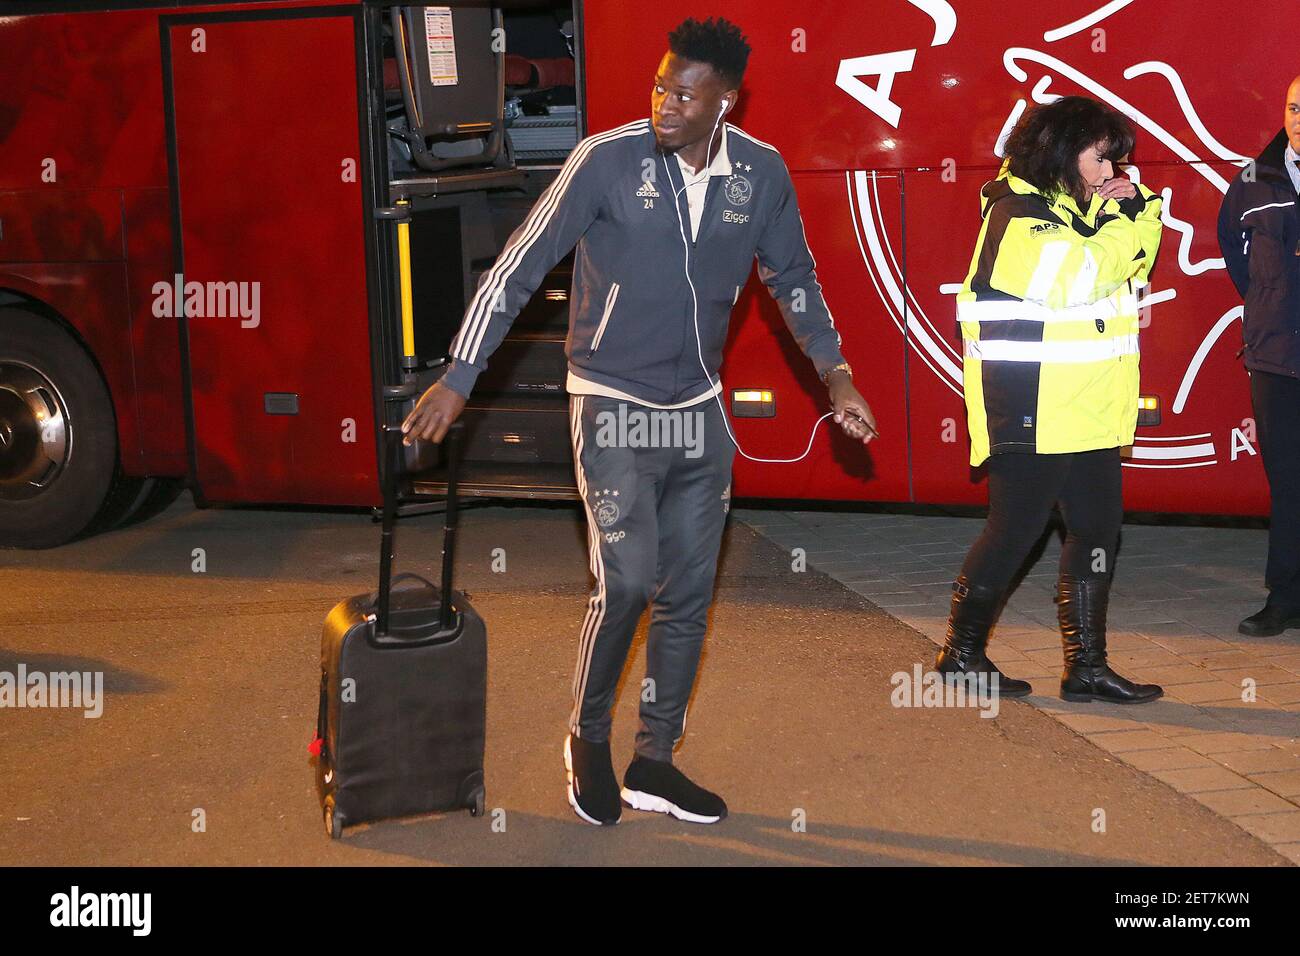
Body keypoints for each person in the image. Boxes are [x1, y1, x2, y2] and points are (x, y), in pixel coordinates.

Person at [402, 17, 876, 825]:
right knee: (624, 582)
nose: (665, 103)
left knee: (688, 593)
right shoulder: (608, 160)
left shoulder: (757, 176)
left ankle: (654, 762)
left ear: (726, 102)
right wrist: (459, 374)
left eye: (686, 94)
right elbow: (518, 264)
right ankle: (586, 737)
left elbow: (794, 278)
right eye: (660, 85)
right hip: (612, 400)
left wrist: (835, 373)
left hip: (696, 409)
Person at [939, 96, 1165, 704]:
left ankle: (1087, 667)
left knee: (1097, 532)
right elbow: (1084, 277)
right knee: (1015, 531)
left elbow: (1134, 262)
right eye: (1102, 157)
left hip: (1085, 409)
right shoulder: (1017, 214)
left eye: (1118, 160)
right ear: (1064, 151)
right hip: (1032, 407)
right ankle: (960, 655)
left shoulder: (1078, 214)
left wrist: (1135, 210)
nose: (1112, 173)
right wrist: (1129, 216)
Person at [1217, 77, 1300, 638]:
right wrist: (1272, 304)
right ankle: (1285, 597)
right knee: (1288, 480)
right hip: (1277, 356)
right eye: (1294, 106)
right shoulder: (1252, 179)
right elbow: (1235, 254)